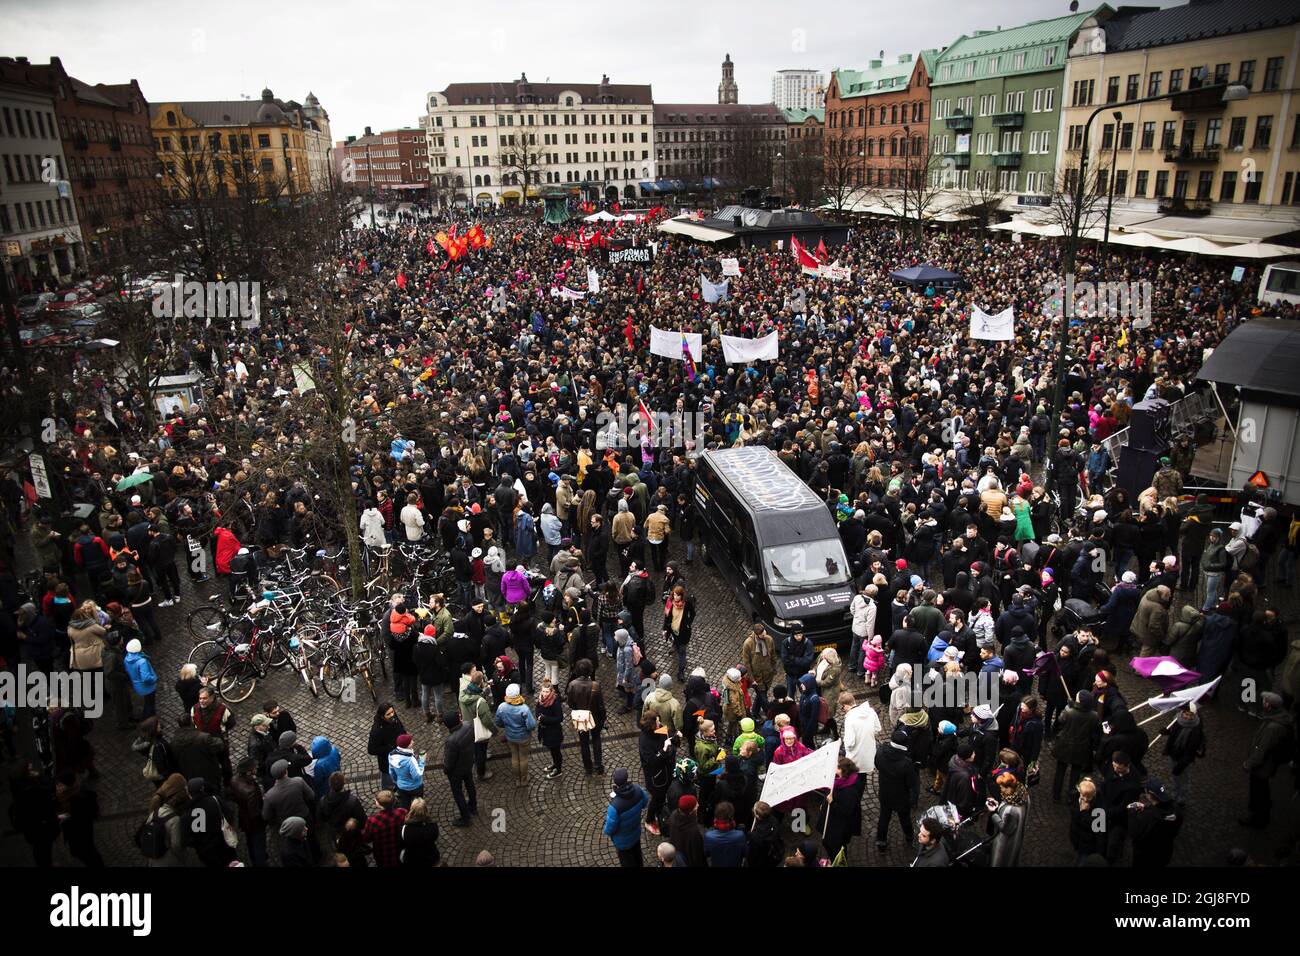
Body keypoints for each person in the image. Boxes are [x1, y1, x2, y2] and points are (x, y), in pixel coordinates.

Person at [1240, 692, 1295, 829]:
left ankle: (1258, 818)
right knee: (1262, 789)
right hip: (1267, 764)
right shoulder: (1279, 719)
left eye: (1265, 701)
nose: (1263, 703)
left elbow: (1261, 749)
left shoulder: (1273, 728)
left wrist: (1249, 764)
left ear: (1269, 705)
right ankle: (1262, 814)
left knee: (1258, 791)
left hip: (1264, 766)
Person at [874, 728, 919, 851]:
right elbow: (911, 783)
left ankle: (881, 841)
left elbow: (877, 765)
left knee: (884, 817)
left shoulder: (881, 752)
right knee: (905, 818)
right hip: (901, 797)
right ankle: (909, 836)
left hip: (885, 793)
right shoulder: (906, 763)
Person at [820, 756, 867, 862]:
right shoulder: (841, 781)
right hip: (834, 821)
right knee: (828, 842)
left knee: (835, 845)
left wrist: (832, 802)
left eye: (837, 767)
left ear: (843, 771)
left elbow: (845, 811)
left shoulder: (849, 791)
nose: (834, 768)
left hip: (840, 825)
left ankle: (839, 861)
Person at [566, 658, 607, 774]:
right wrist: (603, 718)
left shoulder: (572, 685)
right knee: (596, 739)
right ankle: (598, 765)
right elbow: (601, 706)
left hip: (580, 717)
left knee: (584, 742)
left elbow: (570, 703)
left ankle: (588, 767)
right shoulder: (595, 685)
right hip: (595, 717)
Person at [603, 768, 649, 867]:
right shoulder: (638, 789)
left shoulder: (614, 806)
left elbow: (609, 829)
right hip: (635, 833)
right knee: (637, 856)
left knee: (627, 862)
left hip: (622, 841)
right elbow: (645, 802)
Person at [494, 683, 537, 785]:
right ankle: (524, 779)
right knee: (523, 758)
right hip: (523, 737)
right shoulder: (524, 708)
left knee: (514, 757)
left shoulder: (501, 707)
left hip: (510, 736)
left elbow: (498, 722)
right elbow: (531, 725)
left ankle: (518, 780)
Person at [229, 757, 268, 867]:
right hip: (255, 824)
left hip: (244, 818)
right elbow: (255, 813)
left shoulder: (234, 780)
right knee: (259, 845)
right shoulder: (251, 792)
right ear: (248, 772)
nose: (256, 768)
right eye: (254, 767)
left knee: (250, 841)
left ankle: (254, 859)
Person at [986, 771, 1030, 867]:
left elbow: (1005, 828)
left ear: (1008, 788)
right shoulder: (1021, 796)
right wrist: (997, 806)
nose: (1000, 789)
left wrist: (993, 813)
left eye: (1001, 787)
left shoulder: (1011, 810)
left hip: (1005, 844)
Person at [362, 791, 408, 868]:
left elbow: (367, 838)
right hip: (399, 849)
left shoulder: (373, 821)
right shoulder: (402, 812)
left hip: (382, 852)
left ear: (379, 805)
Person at [367, 703, 406, 790]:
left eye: (392, 712)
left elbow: (402, 729)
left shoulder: (394, 718)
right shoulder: (377, 730)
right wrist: (390, 748)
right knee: (388, 786)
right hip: (387, 763)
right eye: (388, 714)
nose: (392, 715)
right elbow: (371, 749)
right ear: (382, 716)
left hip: (399, 757)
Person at [702, 801, 747, 867]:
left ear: (716, 816)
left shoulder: (708, 836)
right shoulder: (740, 835)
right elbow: (744, 853)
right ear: (732, 817)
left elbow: (707, 853)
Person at [398, 798, 441, 867]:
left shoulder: (404, 830)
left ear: (412, 810)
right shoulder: (433, 826)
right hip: (430, 857)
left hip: (412, 859)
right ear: (426, 809)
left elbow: (401, 844)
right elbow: (434, 838)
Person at [667, 793, 706, 867]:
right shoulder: (695, 831)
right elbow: (697, 854)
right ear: (690, 811)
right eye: (695, 805)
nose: (698, 805)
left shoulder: (674, 815)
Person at [388, 733, 427, 809]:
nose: (413, 742)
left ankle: (406, 817)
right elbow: (418, 775)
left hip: (401, 786)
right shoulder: (410, 760)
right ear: (407, 745)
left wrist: (398, 782)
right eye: (411, 741)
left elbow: (391, 772)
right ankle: (420, 817)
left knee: (405, 805)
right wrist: (422, 761)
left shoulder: (391, 755)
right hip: (415, 787)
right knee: (419, 805)